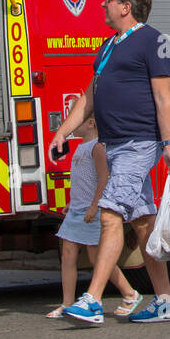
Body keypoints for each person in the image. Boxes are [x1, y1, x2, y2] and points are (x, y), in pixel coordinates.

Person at [48, 0, 170, 324]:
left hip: (139, 144)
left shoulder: (154, 41)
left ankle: (92, 301)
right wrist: (62, 133)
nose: (102, 4)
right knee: (141, 223)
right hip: (114, 145)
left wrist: (168, 145)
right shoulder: (108, 46)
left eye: (108, 0)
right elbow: (89, 97)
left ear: (126, 6)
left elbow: (162, 98)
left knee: (110, 214)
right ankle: (166, 301)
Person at [47, 114, 143, 319]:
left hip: (92, 210)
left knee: (97, 257)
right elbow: (82, 180)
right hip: (76, 211)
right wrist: (72, 203)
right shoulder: (80, 147)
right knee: (68, 254)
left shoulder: (97, 147)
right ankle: (67, 303)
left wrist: (93, 207)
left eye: (77, 121)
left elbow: (102, 180)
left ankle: (129, 293)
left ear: (91, 123)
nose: (71, 124)